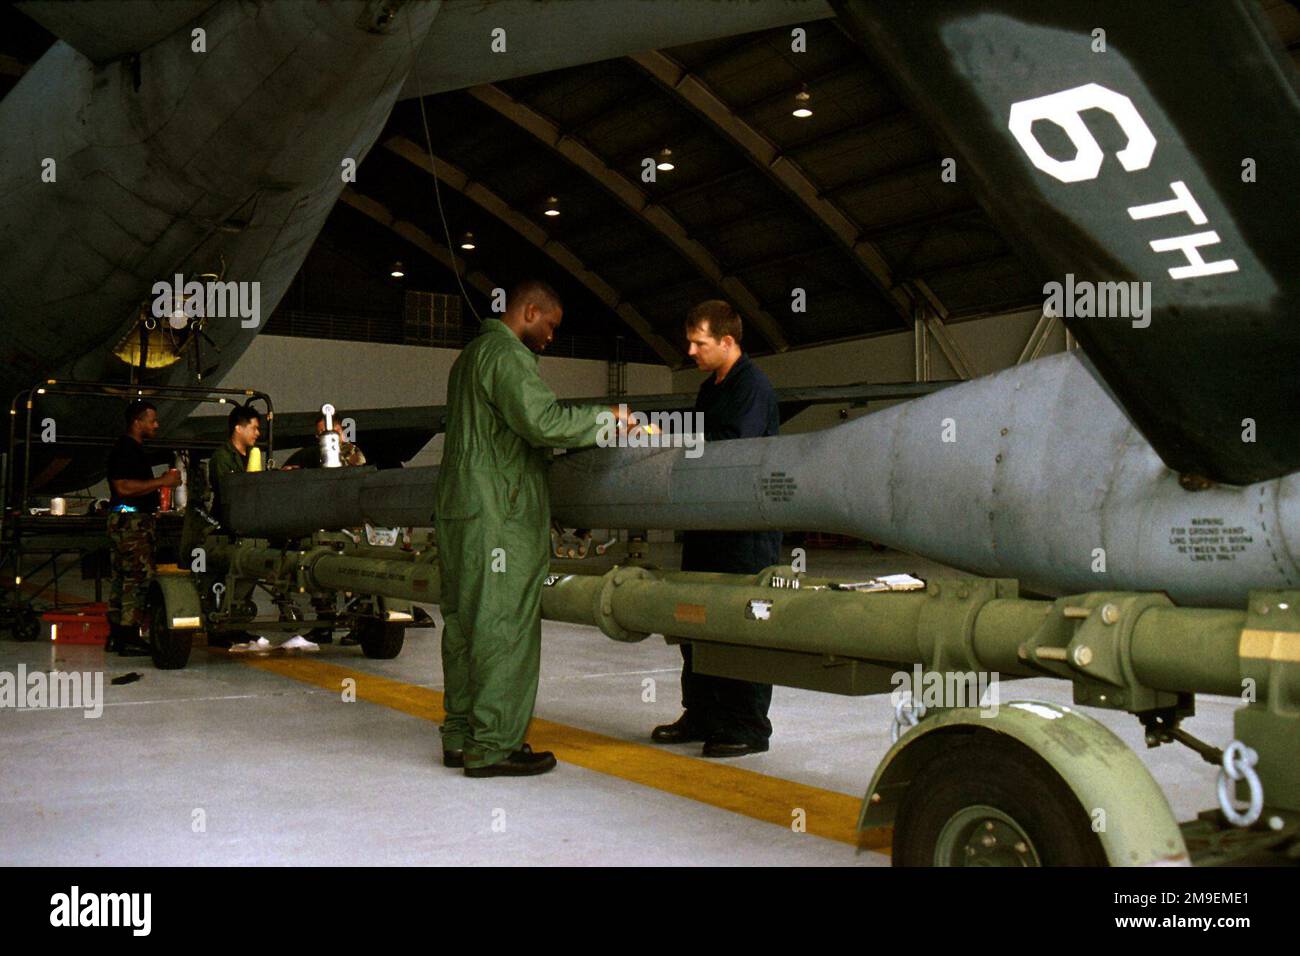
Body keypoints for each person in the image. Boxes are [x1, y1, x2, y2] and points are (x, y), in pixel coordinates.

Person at [435, 280, 626, 777]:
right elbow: (543, 421)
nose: (551, 337)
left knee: (462, 626)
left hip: (460, 512)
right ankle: (494, 747)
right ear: (531, 310)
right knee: (503, 626)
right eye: (551, 326)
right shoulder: (505, 356)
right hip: (499, 516)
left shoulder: (468, 359)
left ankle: (459, 736)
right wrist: (609, 421)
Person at [652, 300, 781, 757]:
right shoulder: (711, 389)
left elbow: (732, 451)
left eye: (699, 342)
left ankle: (748, 726)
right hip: (709, 525)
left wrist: (675, 440)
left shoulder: (752, 387)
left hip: (744, 531)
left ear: (728, 342)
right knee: (696, 619)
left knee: (740, 621)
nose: (690, 350)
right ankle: (703, 712)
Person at [105, 400, 182, 654]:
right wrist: (163, 481)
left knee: (121, 578)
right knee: (138, 578)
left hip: (128, 521)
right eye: (152, 420)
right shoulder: (126, 449)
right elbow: (123, 487)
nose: (156, 425)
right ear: (137, 422)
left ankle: (118, 634)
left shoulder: (130, 448)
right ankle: (129, 634)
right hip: (131, 523)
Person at [208, 405, 261, 528]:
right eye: (254, 428)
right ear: (238, 428)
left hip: (248, 519)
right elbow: (224, 491)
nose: (257, 433)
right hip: (227, 522)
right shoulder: (222, 456)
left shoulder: (253, 454)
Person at [283, 413, 366, 469]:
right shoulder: (308, 454)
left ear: (338, 430)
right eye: (319, 434)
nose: (319, 437)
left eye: (323, 432)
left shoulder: (350, 450)